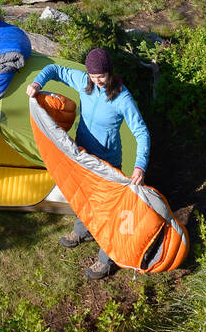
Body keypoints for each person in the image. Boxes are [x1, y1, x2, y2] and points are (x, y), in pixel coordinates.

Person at [26, 48, 150, 281]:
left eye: (101, 77)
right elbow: (54, 69)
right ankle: (83, 232)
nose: (97, 82)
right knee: (83, 196)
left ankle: (107, 259)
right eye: (93, 77)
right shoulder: (85, 81)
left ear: (109, 72)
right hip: (82, 154)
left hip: (107, 162)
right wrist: (37, 83)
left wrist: (139, 166)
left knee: (107, 210)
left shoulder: (122, 98)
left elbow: (141, 132)